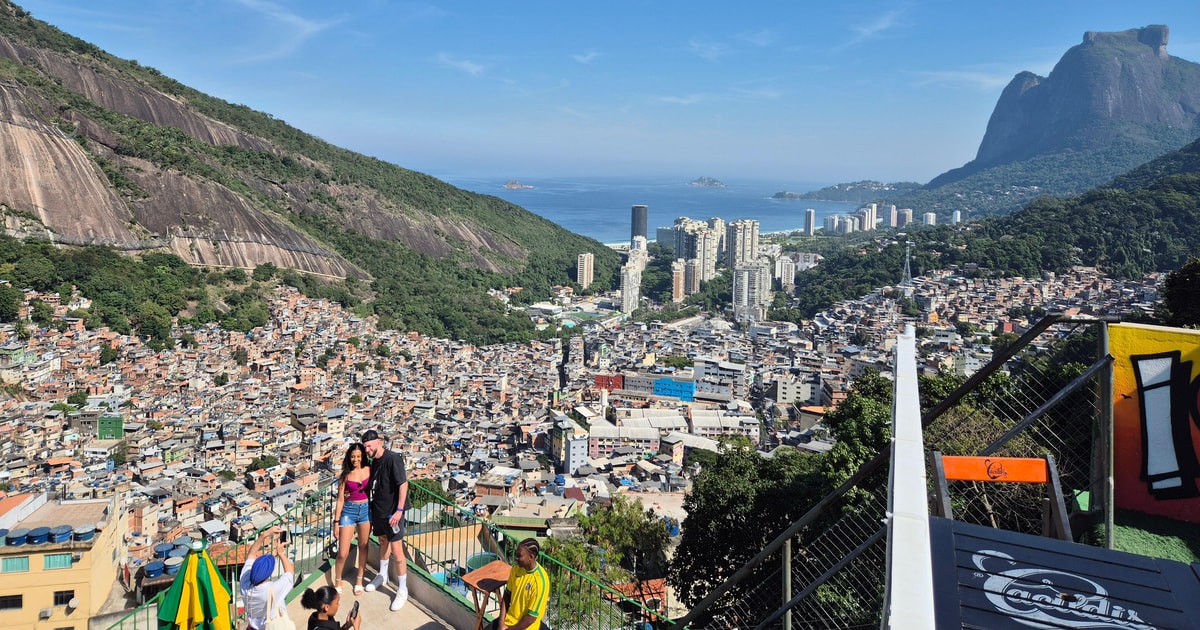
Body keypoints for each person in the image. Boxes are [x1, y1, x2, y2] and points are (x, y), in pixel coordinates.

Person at [360, 428, 410, 611]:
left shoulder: (392, 458)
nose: (367, 450)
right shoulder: (375, 462)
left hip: (393, 513)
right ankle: (382, 575)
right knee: (382, 542)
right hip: (379, 511)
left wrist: (399, 510)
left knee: (397, 550)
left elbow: (403, 484)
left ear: (379, 442)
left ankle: (403, 589)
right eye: (365, 447)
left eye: (369, 446)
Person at [332, 442, 371, 595]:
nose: (355, 459)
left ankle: (359, 579)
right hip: (349, 511)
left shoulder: (369, 470)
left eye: (358, 456)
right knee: (343, 552)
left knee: (363, 546)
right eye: (353, 457)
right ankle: (337, 579)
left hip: (366, 510)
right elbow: (340, 500)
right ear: (349, 457)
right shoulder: (345, 476)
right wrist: (336, 522)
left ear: (363, 457)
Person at [239, 526, 295, 630]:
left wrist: (264, 535)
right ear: (269, 573)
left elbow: (251, 554)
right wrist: (281, 553)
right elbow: (290, 573)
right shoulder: (273, 589)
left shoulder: (244, 581)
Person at [494, 538, 550, 630]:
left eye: (519, 556)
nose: (516, 558)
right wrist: (501, 623)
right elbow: (507, 596)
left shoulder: (540, 582)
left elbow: (530, 618)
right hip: (509, 621)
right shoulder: (516, 569)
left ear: (531, 557)